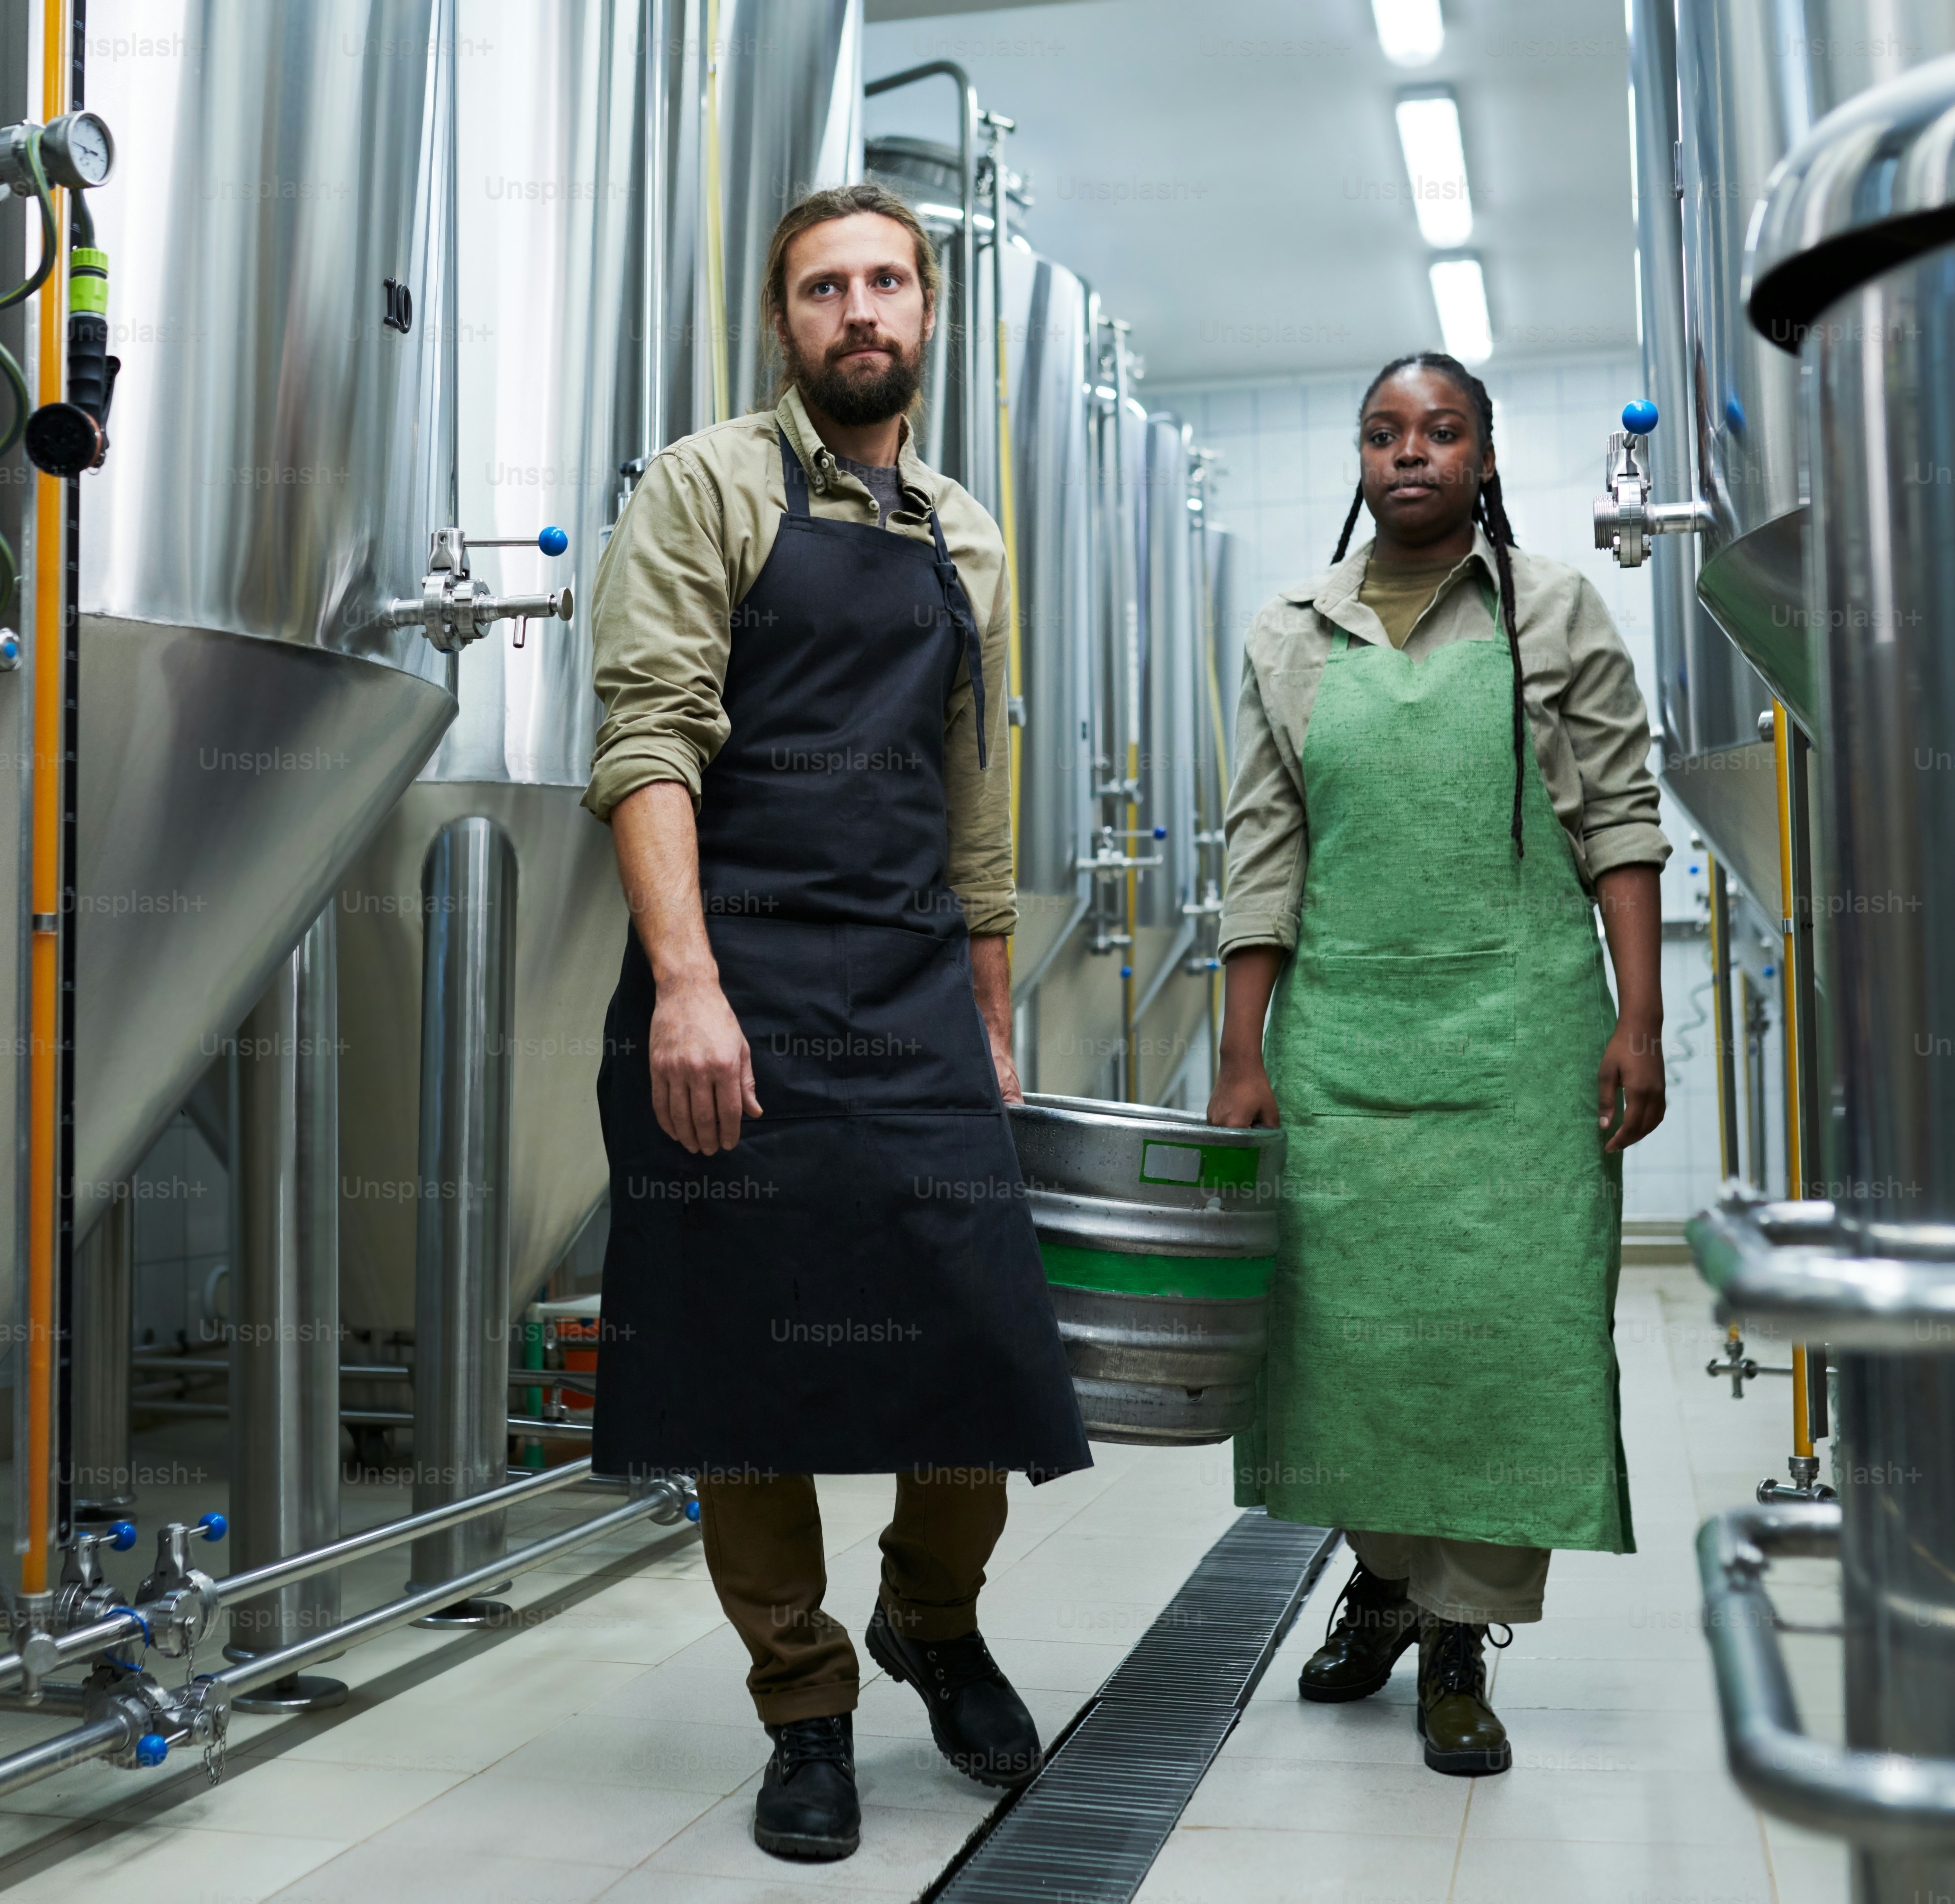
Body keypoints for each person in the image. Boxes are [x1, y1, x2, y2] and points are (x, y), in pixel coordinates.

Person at [580, 180, 1093, 1864]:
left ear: (926, 313)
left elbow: (975, 790)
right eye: (823, 288)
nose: (857, 310)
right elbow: (649, 737)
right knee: (743, 1363)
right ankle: (803, 1704)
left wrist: (995, 1020)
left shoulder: (966, 528)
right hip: (734, 981)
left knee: (985, 1353)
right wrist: (690, 986)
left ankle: (928, 1617)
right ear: (784, 322)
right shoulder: (706, 484)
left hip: (916, 981)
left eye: (886, 281)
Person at [1207, 351, 1670, 1777]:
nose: (1410, 453)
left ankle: (1462, 1634)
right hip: (1344, 1043)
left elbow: (1622, 825)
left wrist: (1638, 1017)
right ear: (1361, 458)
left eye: (1441, 430)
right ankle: (1392, 1582)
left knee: (1513, 1332)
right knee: (1350, 1337)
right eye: (1384, 432)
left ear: (1482, 454)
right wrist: (1241, 1052)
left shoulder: (1554, 608)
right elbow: (1262, 853)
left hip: (1525, 1040)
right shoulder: (1291, 630)